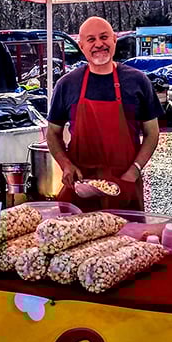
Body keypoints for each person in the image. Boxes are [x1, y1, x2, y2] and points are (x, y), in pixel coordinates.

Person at [46, 16, 161, 211]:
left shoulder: (138, 81)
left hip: (124, 185)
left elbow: (152, 133)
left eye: (104, 37)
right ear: (81, 46)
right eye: (91, 40)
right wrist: (65, 164)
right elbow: (52, 133)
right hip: (80, 186)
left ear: (115, 40)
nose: (99, 44)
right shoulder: (67, 84)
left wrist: (135, 170)